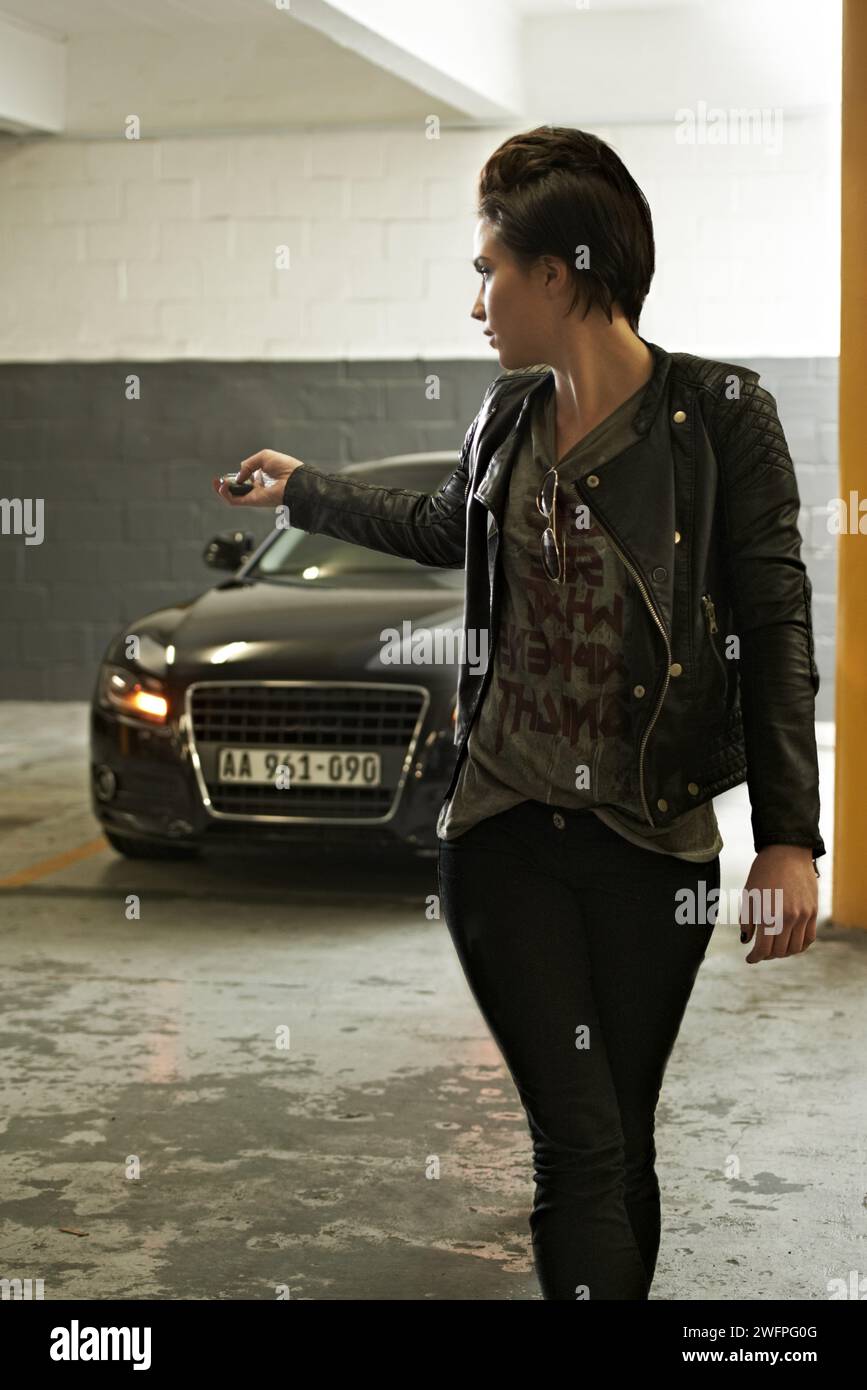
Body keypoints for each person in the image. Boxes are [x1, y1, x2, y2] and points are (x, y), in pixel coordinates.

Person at [212, 126, 824, 1300]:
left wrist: (788, 836)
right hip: (503, 832)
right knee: (580, 1144)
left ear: (561, 272)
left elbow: (774, 621)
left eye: (489, 266)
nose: (478, 298)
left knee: (619, 1139)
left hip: (654, 846)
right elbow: (450, 528)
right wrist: (306, 488)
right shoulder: (506, 415)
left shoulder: (721, 418)